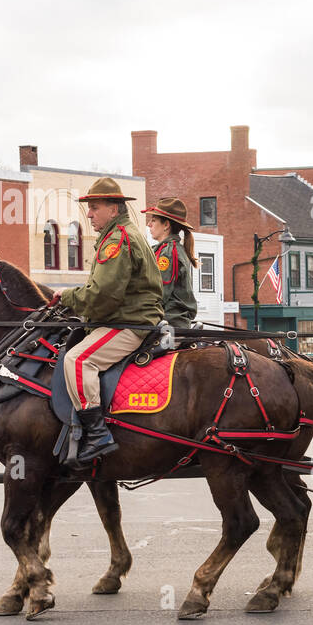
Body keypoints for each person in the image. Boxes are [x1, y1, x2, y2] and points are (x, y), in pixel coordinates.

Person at [50, 177, 163, 464]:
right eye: (89, 208)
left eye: (95, 208)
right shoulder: (123, 234)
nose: (89, 215)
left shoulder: (117, 240)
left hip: (129, 323)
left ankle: (98, 435)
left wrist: (67, 298)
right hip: (129, 317)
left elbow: (103, 296)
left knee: (77, 360)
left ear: (114, 209)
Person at [142, 197, 199, 328]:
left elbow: (158, 293)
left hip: (170, 322)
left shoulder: (168, 252)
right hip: (167, 319)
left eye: (154, 220)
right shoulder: (164, 249)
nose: (149, 224)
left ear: (166, 225)